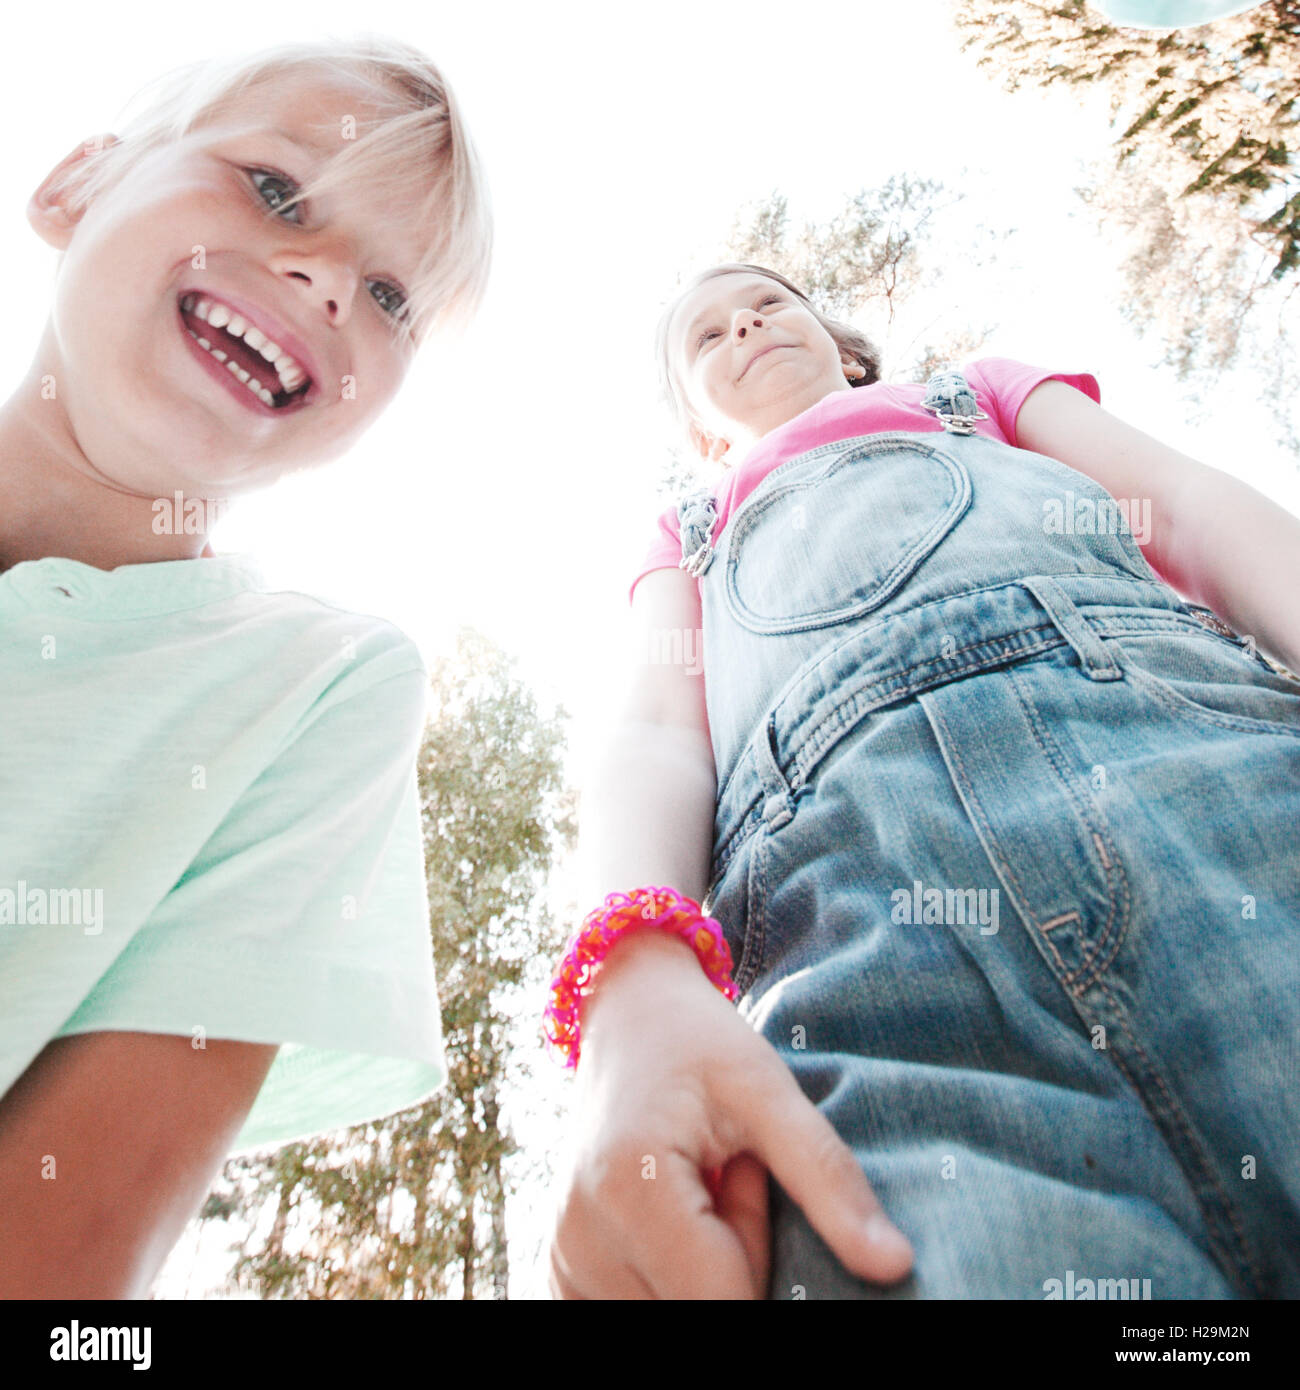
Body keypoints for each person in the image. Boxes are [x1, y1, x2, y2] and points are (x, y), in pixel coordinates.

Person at [547, 261, 1300, 1299]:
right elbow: (656, 736)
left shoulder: (977, 397)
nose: (745, 324)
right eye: (706, 335)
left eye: (768, 302)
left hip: (1201, 777)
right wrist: (633, 975)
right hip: (864, 924)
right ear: (701, 431)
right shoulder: (689, 531)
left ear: (844, 345)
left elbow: (1181, 503)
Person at [0, 36, 491, 1297]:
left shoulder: (318, 690)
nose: (326, 279)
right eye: (276, 193)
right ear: (74, 187)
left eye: (390, 298)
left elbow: (60, 1267)